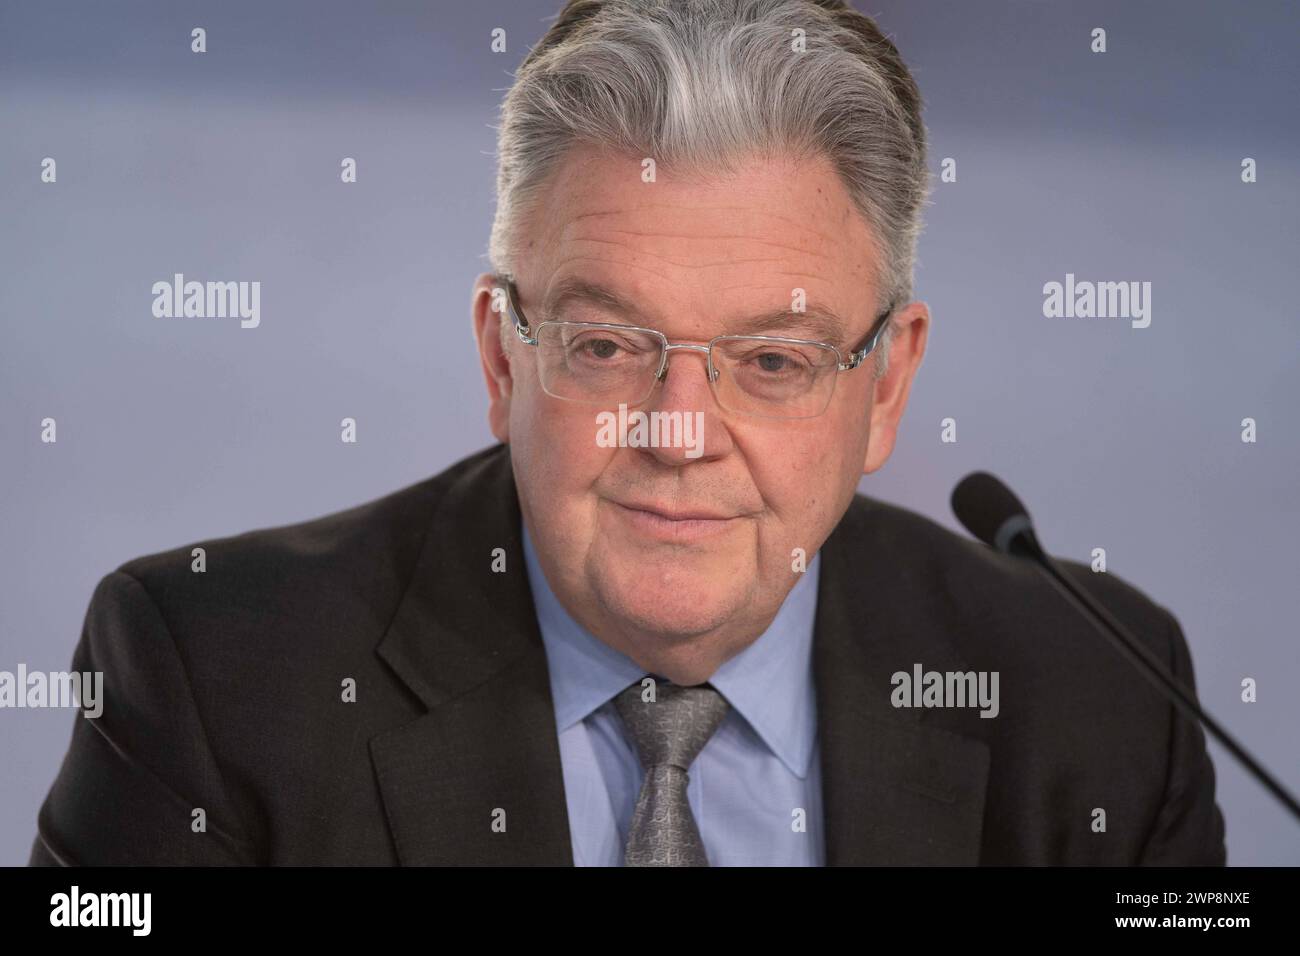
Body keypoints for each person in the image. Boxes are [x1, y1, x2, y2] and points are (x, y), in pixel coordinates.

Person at [30, 0, 1225, 866]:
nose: (679, 431)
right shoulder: (217, 680)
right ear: (503, 355)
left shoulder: (1096, 701)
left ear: (886, 385)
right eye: (605, 344)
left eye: (772, 361)